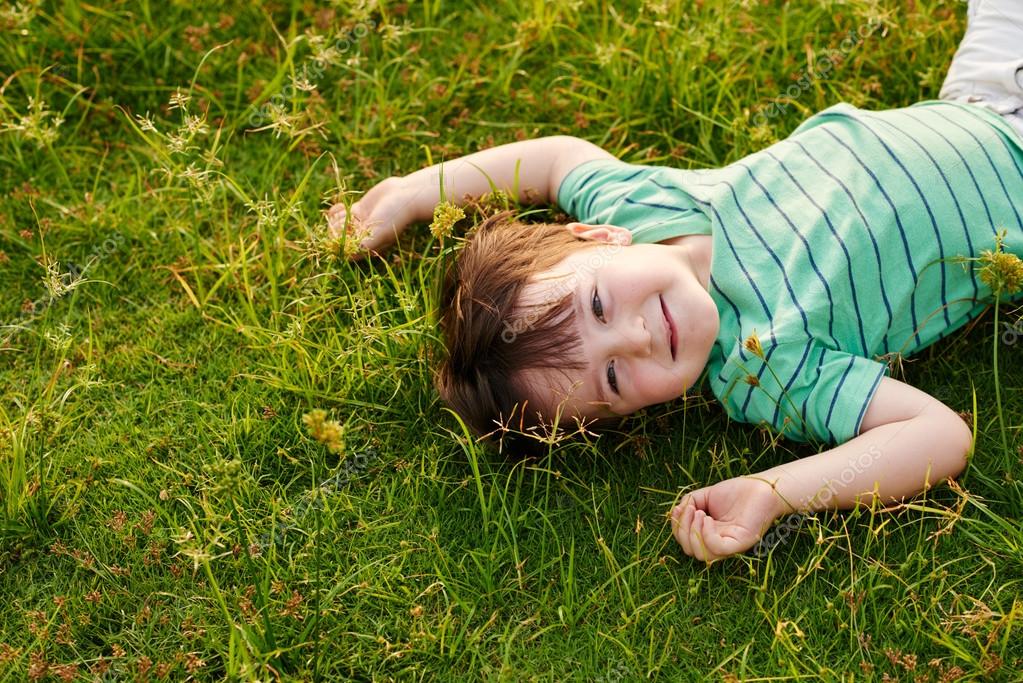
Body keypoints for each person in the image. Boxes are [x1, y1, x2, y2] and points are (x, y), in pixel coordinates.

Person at [327, 0, 1023, 563]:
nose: (634, 338)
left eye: (597, 305)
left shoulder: (647, 211)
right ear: (631, 415)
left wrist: (414, 192)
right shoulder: (765, 367)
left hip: (981, 96)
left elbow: (553, 159)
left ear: (596, 238)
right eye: (612, 380)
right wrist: (774, 491)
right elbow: (936, 434)